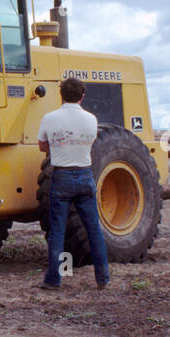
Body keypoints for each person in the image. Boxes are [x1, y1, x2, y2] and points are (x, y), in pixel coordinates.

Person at [37, 76, 110, 289]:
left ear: (61, 94)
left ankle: (54, 279)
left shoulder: (50, 118)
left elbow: (42, 146)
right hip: (85, 175)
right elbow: (90, 142)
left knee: (58, 229)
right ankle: (103, 278)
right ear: (82, 96)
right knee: (93, 229)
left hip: (61, 177)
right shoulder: (91, 119)